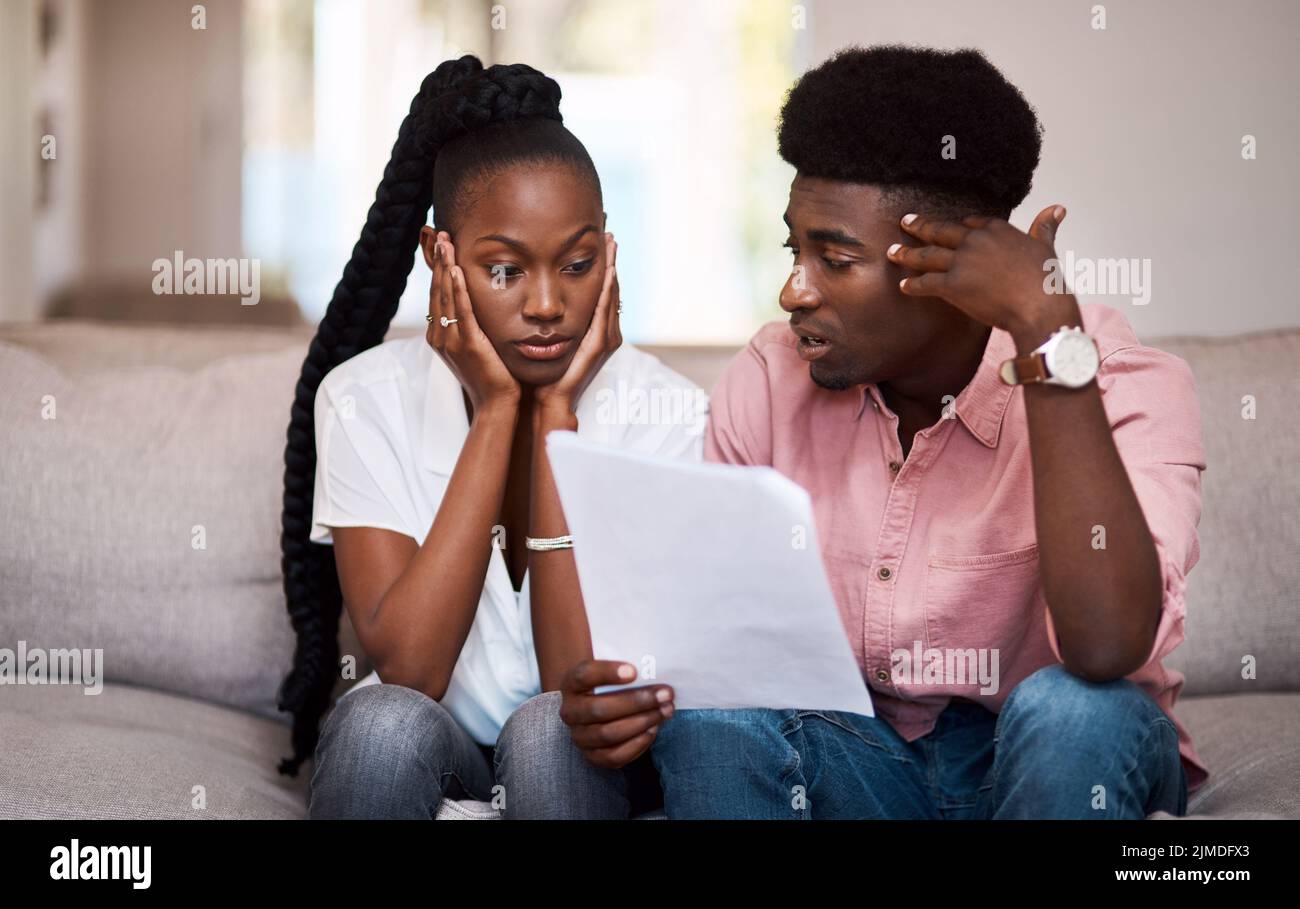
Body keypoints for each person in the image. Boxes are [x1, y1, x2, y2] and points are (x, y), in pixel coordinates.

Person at [644, 45, 1208, 819]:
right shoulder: (770, 382)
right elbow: (725, 647)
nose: (792, 290)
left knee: (1073, 708)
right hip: (865, 756)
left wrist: (1048, 337)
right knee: (709, 717)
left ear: (949, 267)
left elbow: (1106, 648)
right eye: (794, 249)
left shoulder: (1120, 378)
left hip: (1055, 753)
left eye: (834, 258)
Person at [276, 56, 699, 819]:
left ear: (608, 252)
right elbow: (412, 667)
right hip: (438, 743)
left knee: (547, 733)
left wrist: (556, 420)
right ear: (441, 257)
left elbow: (578, 682)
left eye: (576, 264)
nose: (547, 303)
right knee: (378, 724)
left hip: (582, 761)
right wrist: (499, 407)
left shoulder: (668, 413)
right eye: (505, 270)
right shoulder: (361, 400)